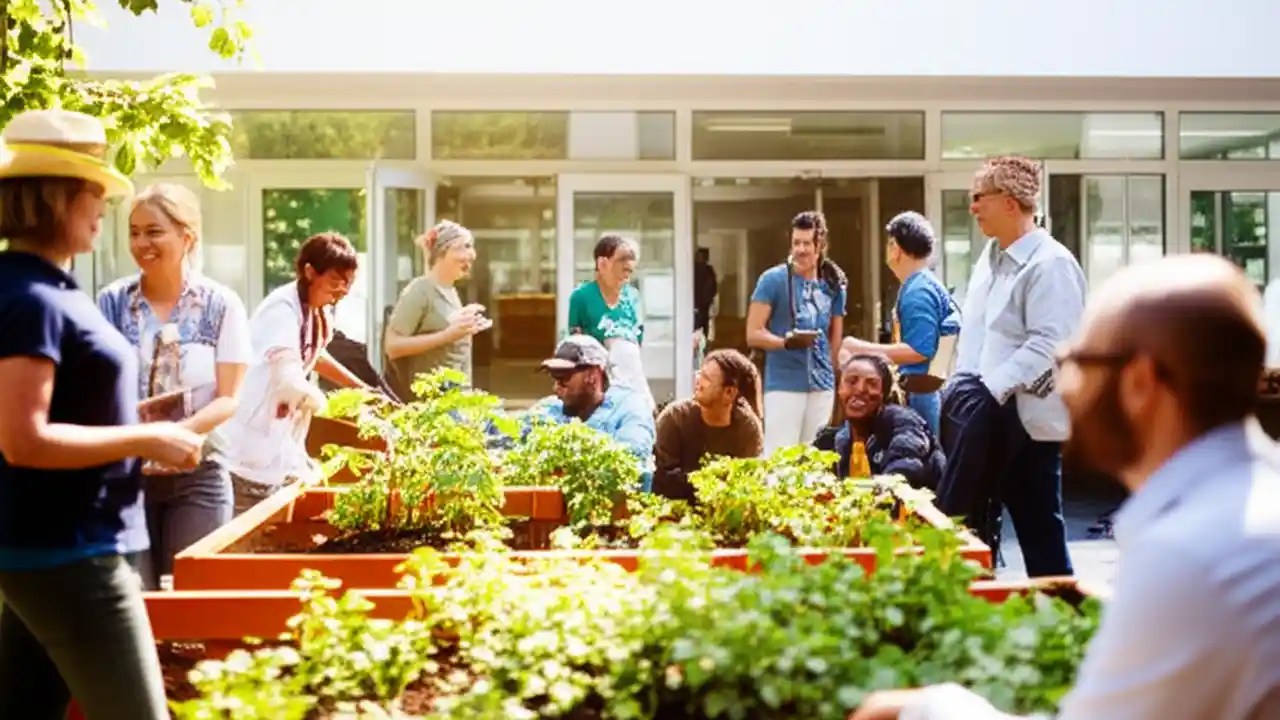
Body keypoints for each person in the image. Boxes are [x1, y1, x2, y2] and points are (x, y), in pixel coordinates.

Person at [853, 254, 1280, 720]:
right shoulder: (1247, 508)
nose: (1067, 387)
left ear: (1139, 381)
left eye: (1075, 361)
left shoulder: (1187, 557)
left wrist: (929, 707)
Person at [0, 109, 204, 719]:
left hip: (46, 550)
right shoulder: (29, 298)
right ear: (56, 199)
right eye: (94, 191)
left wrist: (128, 418)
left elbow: (47, 408)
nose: (102, 205)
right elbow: (22, 439)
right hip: (71, 555)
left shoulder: (36, 286)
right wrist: (150, 436)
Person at [935, 156, 1085, 577]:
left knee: (1040, 533)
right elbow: (979, 333)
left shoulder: (1050, 265)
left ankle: (1065, 622)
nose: (973, 207)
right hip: (985, 420)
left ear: (1010, 202)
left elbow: (1052, 343)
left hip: (1028, 423)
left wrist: (989, 388)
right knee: (972, 526)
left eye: (979, 197)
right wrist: (963, 386)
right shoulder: (990, 259)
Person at [97, 183, 251, 590]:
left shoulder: (221, 304)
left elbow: (229, 398)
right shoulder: (111, 302)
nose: (141, 242)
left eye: (153, 231)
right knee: (135, 606)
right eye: (134, 232)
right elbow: (98, 390)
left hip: (199, 474)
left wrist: (174, 436)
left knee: (194, 604)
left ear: (187, 236)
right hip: (127, 478)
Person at [221, 232, 374, 515]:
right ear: (309, 272)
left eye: (347, 284)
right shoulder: (280, 310)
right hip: (250, 437)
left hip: (281, 438)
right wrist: (319, 401)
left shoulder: (319, 312)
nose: (341, 292)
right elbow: (288, 373)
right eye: (335, 282)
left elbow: (315, 354)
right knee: (247, 521)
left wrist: (361, 389)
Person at [840, 212, 959, 436]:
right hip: (926, 394)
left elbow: (919, 351)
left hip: (921, 395)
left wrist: (858, 348)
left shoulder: (918, 290)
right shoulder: (922, 284)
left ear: (895, 247)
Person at [746, 210, 848, 452]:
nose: (800, 249)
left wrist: (835, 375)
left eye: (806, 243)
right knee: (781, 458)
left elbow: (836, 335)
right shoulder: (773, 280)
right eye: (796, 243)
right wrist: (785, 342)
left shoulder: (833, 282)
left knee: (814, 459)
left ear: (820, 244)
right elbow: (753, 333)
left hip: (821, 384)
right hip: (784, 383)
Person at [383, 220, 489, 399]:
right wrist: (448, 335)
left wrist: (464, 321)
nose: (471, 255)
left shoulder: (451, 291)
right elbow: (393, 346)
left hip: (456, 399)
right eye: (463, 247)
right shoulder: (420, 290)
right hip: (428, 405)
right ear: (442, 251)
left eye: (470, 248)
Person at [534, 334, 656, 482]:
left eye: (563, 378)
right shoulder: (550, 409)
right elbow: (507, 439)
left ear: (593, 375)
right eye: (554, 378)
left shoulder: (630, 409)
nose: (556, 388)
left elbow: (630, 462)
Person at [652, 349, 764, 501]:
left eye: (707, 378)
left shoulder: (747, 429)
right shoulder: (675, 418)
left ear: (729, 393)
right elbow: (662, 481)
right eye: (700, 373)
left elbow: (751, 482)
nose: (698, 380)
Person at [826, 354, 943, 489]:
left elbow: (905, 468)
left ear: (884, 394)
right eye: (851, 381)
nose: (860, 389)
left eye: (872, 384)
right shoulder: (839, 439)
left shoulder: (904, 422)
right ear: (839, 389)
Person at [567, 234, 654, 410]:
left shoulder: (633, 297)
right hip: (599, 384)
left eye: (629, 270)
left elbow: (638, 339)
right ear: (602, 264)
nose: (626, 273)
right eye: (621, 264)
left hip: (633, 385)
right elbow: (577, 343)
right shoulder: (581, 296)